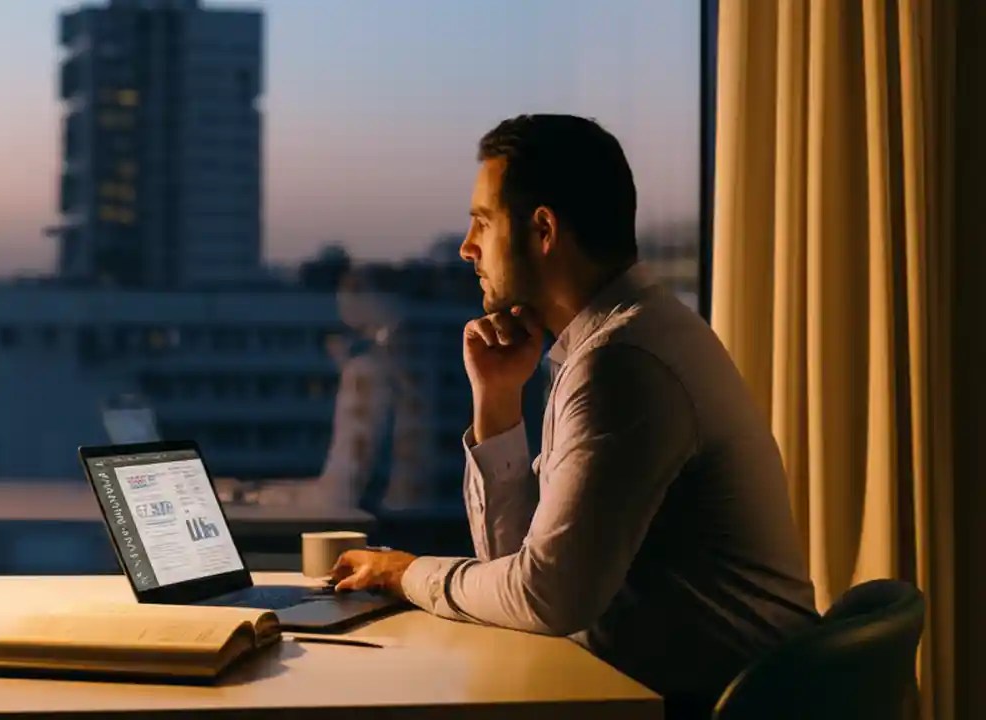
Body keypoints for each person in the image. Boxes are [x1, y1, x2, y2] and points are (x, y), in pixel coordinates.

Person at [329, 114, 818, 712]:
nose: (466, 247)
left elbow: (546, 597)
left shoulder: (625, 363)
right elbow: (519, 573)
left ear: (542, 231)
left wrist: (403, 574)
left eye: (482, 221)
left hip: (721, 705)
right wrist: (498, 401)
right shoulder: (612, 343)